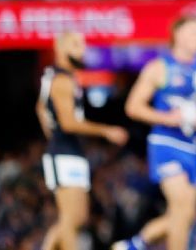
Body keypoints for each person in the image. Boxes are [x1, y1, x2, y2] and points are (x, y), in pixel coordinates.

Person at [117, 16, 196, 250]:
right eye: (193, 32)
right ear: (178, 35)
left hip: (192, 146)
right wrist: (167, 118)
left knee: (187, 214)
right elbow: (133, 106)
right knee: (181, 208)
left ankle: (133, 245)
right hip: (166, 143)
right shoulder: (160, 68)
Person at [36, 32, 129, 250]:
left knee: (77, 218)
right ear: (61, 49)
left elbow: (40, 109)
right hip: (65, 152)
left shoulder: (58, 77)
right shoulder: (62, 80)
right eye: (76, 45)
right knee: (71, 220)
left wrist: (53, 137)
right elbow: (68, 123)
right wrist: (106, 131)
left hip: (68, 151)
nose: (82, 49)